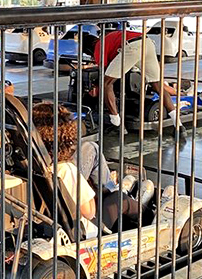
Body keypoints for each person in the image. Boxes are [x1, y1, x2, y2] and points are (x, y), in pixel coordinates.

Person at [92, 28, 183, 136]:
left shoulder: (98, 46)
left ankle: (117, 125)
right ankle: (178, 126)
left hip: (132, 47)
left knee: (106, 84)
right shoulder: (112, 37)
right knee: (157, 85)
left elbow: (103, 71)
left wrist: (96, 85)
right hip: (147, 43)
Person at [32, 102, 97, 233]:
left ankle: (111, 187)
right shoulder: (66, 170)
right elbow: (90, 213)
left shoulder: (32, 164)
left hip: (54, 217)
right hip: (82, 228)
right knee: (123, 202)